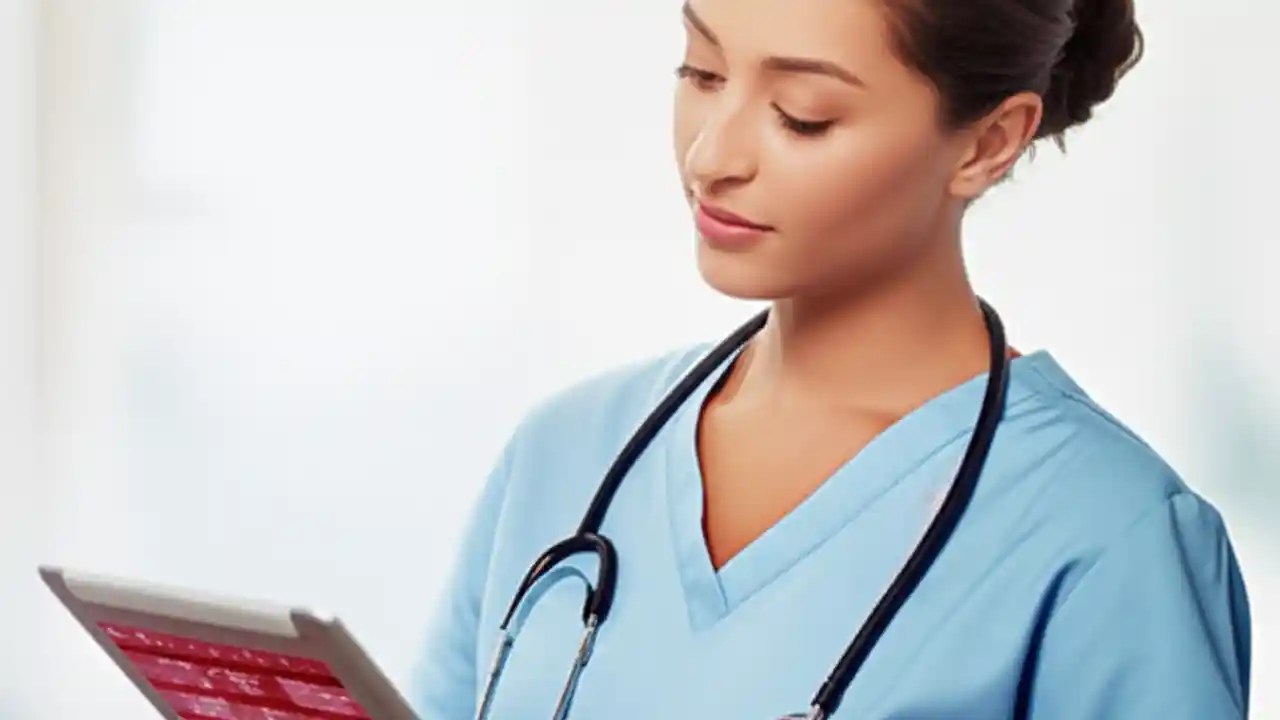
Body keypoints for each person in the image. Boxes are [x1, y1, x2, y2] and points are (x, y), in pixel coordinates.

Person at [412, 0, 1252, 716]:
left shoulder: (1107, 537)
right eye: (701, 73)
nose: (712, 158)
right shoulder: (562, 457)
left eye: (801, 114)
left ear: (989, 144)